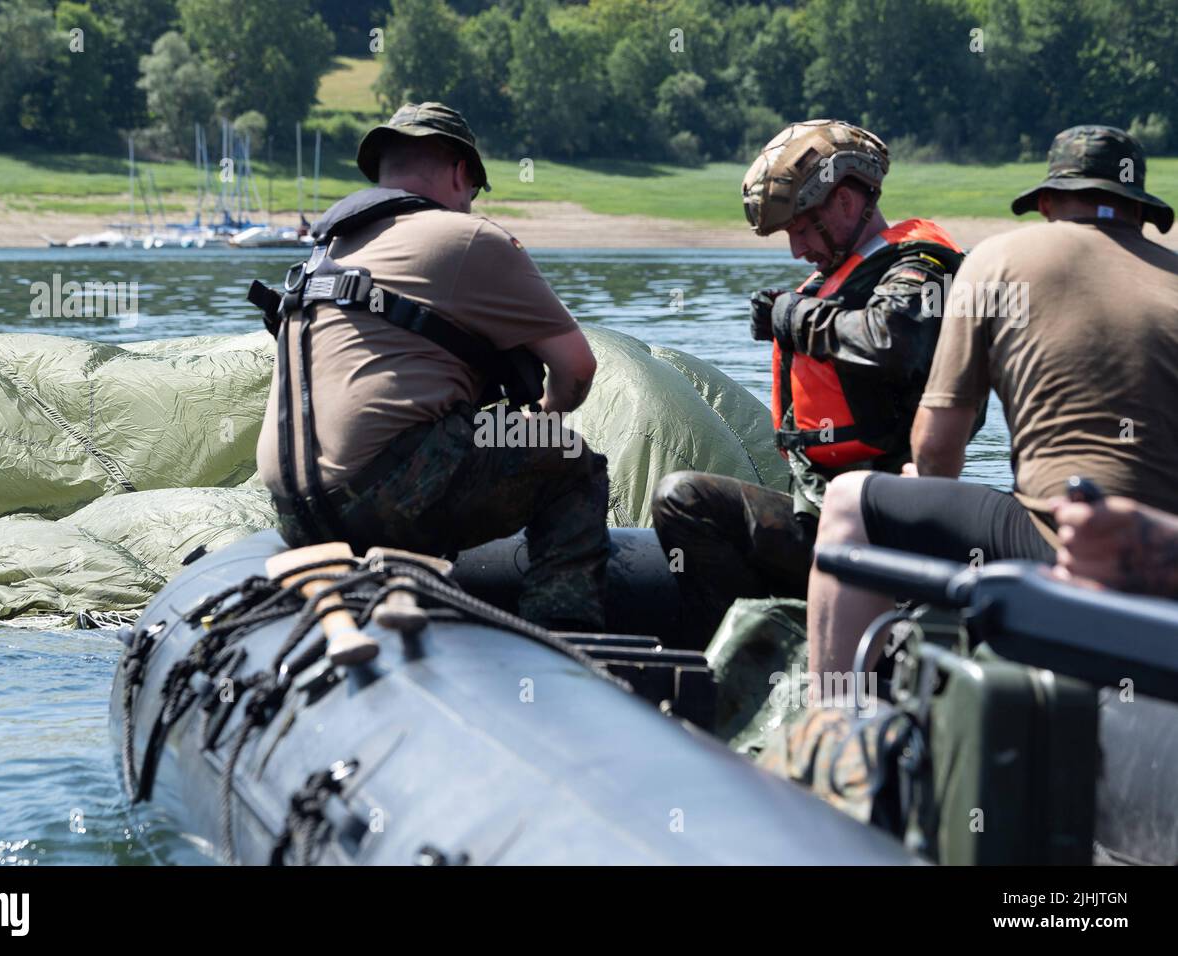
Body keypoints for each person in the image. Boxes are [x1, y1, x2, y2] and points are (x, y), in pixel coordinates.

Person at [808, 124, 1178, 677]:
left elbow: (937, 447)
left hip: (1058, 543)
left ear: (1048, 203)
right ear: (1139, 212)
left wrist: (925, 493)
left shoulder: (998, 260)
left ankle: (833, 725)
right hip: (1162, 558)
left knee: (848, 501)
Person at [255, 102, 609, 631]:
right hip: (384, 490)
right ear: (461, 171)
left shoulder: (328, 250)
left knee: (447, 438)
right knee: (572, 461)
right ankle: (563, 634)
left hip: (292, 508)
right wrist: (541, 418)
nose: (468, 203)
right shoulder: (468, 238)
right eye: (472, 190)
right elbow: (577, 368)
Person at [650, 119, 966, 646]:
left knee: (686, 498)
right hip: (818, 511)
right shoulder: (837, 279)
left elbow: (889, 340)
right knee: (683, 500)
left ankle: (778, 654)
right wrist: (792, 312)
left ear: (845, 202)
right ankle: (738, 656)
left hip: (884, 522)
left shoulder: (922, 265)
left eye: (802, 227)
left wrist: (792, 318)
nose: (797, 249)